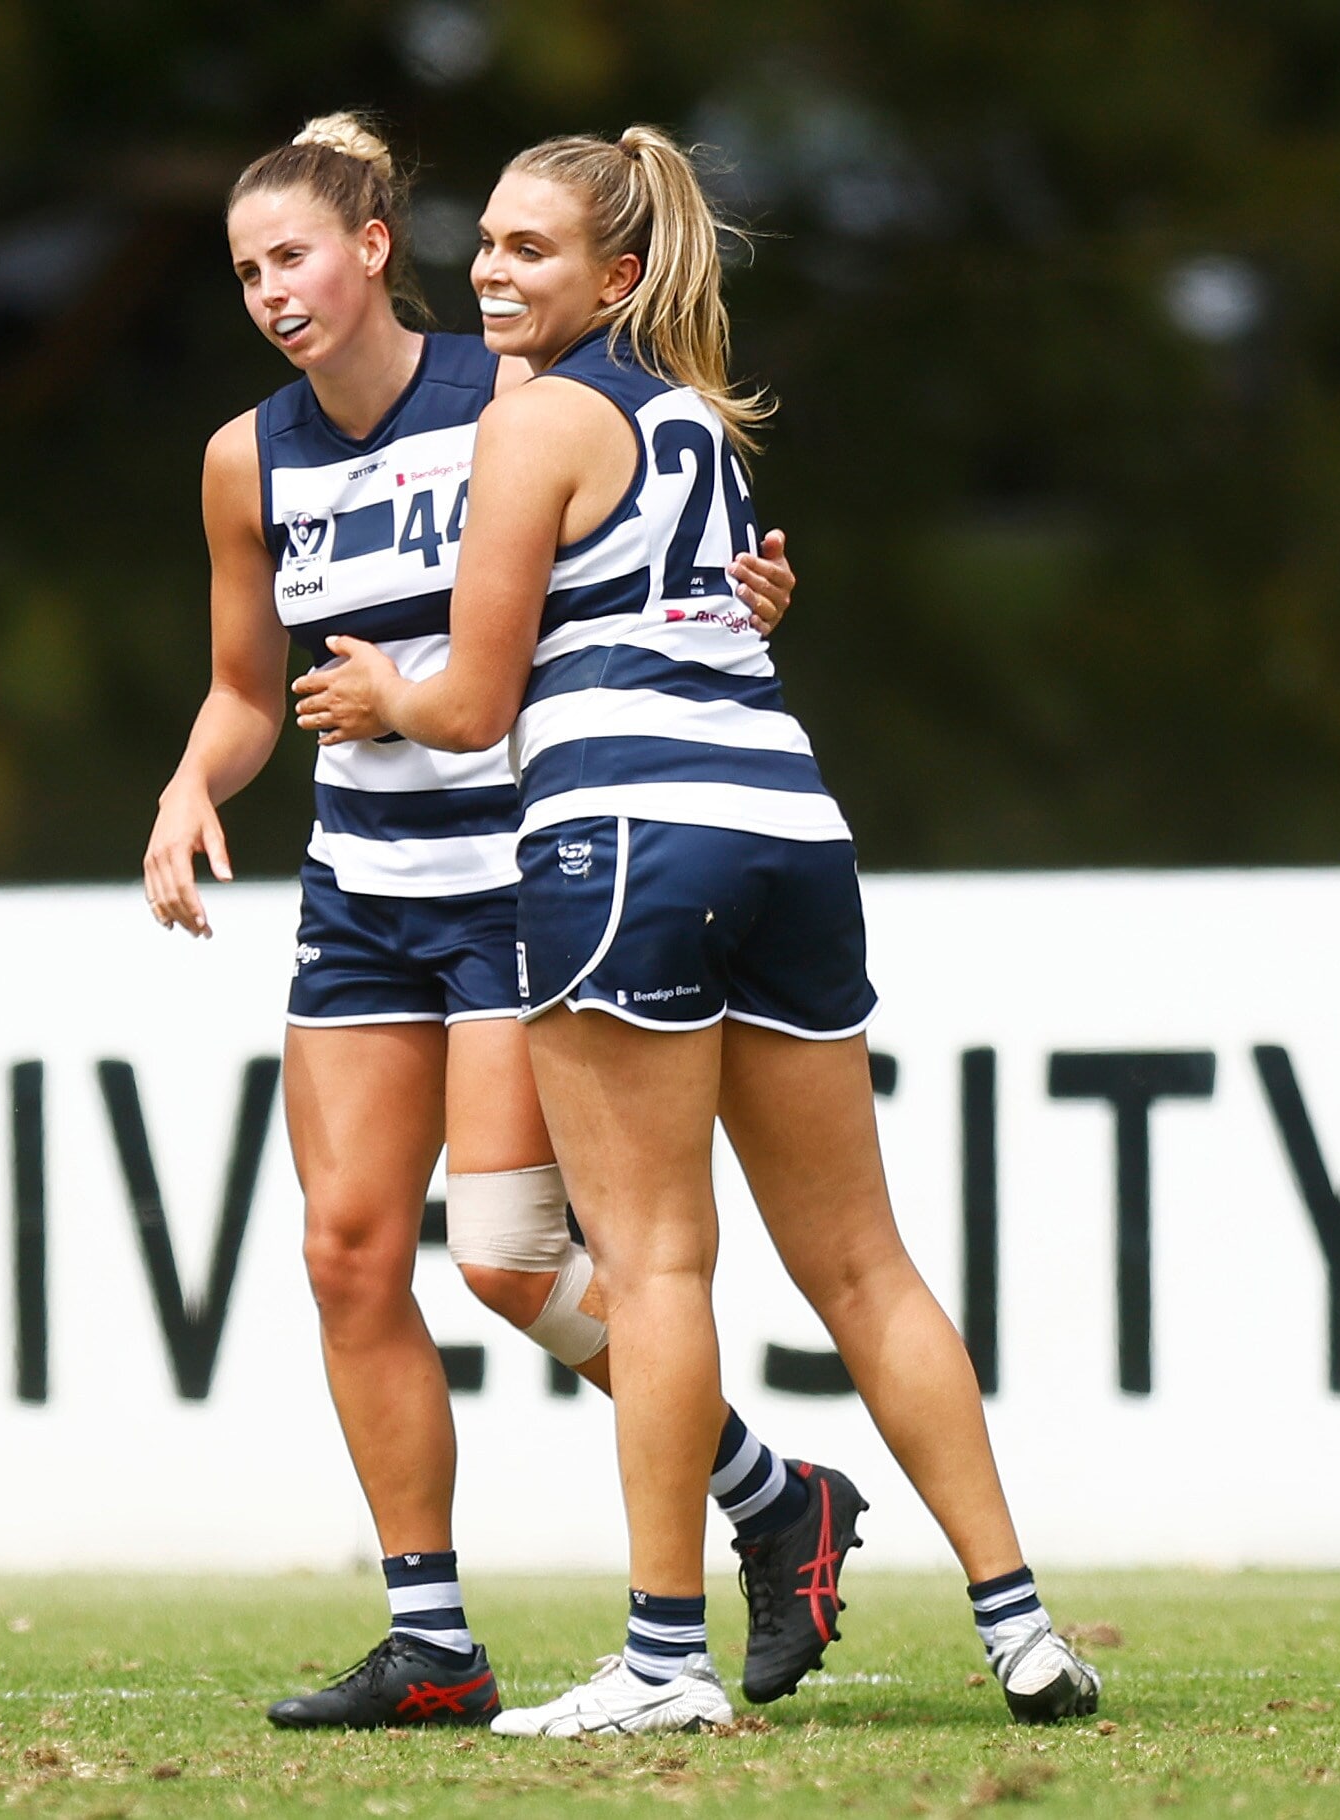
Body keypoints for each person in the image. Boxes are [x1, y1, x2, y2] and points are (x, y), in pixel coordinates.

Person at [292, 126, 1104, 1737]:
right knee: (865, 1263)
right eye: (491, 243)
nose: (493, 271)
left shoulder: (541, 429)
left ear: (620, 272)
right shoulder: (699, 428)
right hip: (793, 826)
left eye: (532, 250)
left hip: (629, 835)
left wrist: (383, 691)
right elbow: (696, 615)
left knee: (655, 1262)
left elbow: (468, 700)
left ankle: (664, 1660)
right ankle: (1022, 1630)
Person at [144, 115, 863, 1733]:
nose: (271, 291)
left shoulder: (515, 394)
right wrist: (194, 788)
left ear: (375, 248)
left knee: (499, 1264)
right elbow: (246, 693)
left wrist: (742, 594)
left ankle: (761, 1492)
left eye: (295, 257)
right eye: (246, 268)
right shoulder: (244, 459)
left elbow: (652, 553)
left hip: (517, 880)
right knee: (344, 1255)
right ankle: (434, 1642)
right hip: (361, 891)